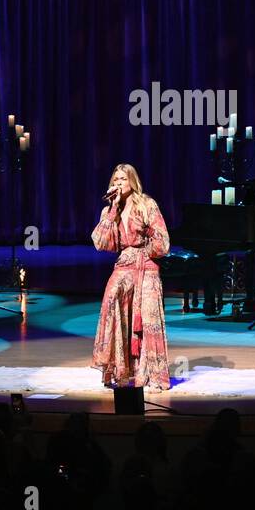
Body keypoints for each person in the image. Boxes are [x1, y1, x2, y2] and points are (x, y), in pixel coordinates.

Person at [91, 164, 171, 390]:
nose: (118, 183)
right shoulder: (109, 211)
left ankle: (151, 375)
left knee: (147, 316)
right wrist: (112, 211)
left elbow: (163, 242)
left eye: (123, 179)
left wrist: (144, 252)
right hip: (124, 264)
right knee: (111, 298)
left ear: (132, 181)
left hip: (146, 264)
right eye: (115, 179)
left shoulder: (147, 204)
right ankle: (119, 369)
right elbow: (101, 243)